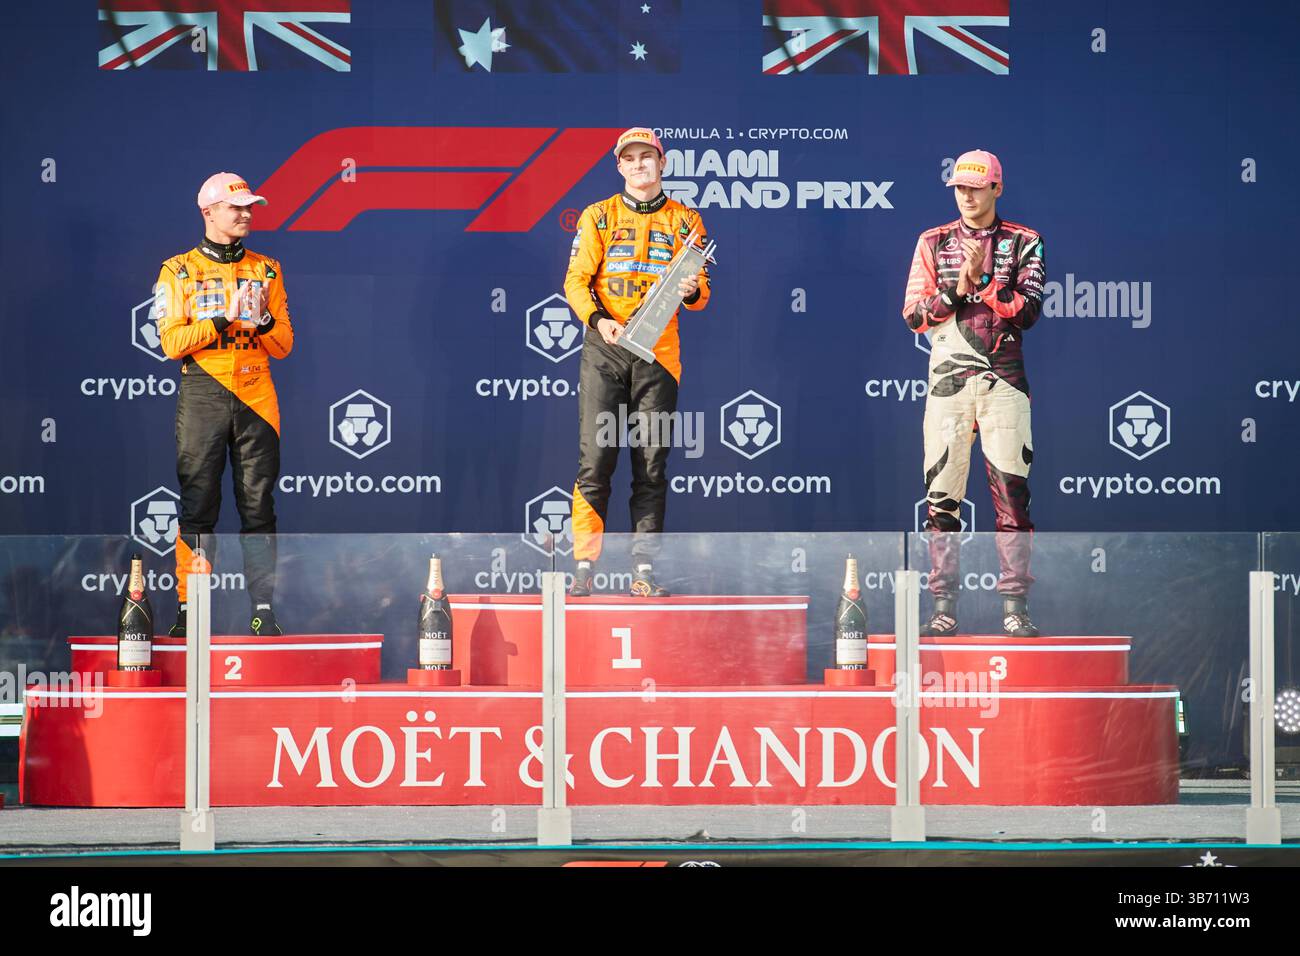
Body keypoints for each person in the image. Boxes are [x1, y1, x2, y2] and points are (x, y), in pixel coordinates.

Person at [902, 150, 1045, 637]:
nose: (967, 195)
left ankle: (1014, 605)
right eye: (960, 188)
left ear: (996, 189)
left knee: (1012, 496)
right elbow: (913, 316)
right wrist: (956, 292)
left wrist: (982, 281)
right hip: (948, 383)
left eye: (976, 187)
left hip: (1005, 382)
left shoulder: (1025, 241)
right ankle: (943, 604)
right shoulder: (932, 241)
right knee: (941, 496)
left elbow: (1026, 312)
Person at [563, 128, 711, 597]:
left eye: (648, 156)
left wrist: (694, 290)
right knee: (596, 462)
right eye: (631, 158)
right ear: (619, 167)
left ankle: (643, 570)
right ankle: (584, 567)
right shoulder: (598, 216)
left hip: (658, 358)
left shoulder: (686, 219)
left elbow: (702, 293)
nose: (640, 164)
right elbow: (575, 281)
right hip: (606, 351)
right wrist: (599, 320)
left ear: (662, 163)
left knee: (650, 465)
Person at [154, 172, 294, 637]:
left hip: (257, 393)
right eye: (237, 207)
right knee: (198, 506)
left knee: (258, 505)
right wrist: (222, 317)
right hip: (203, 394)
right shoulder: (177, 270)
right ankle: (189, 609)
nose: (247, 214)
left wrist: (266, 318)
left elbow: (284, 345)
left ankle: (264, 609)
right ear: (208, 212)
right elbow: (172, 343)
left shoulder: (267, 268)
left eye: (250, 206)